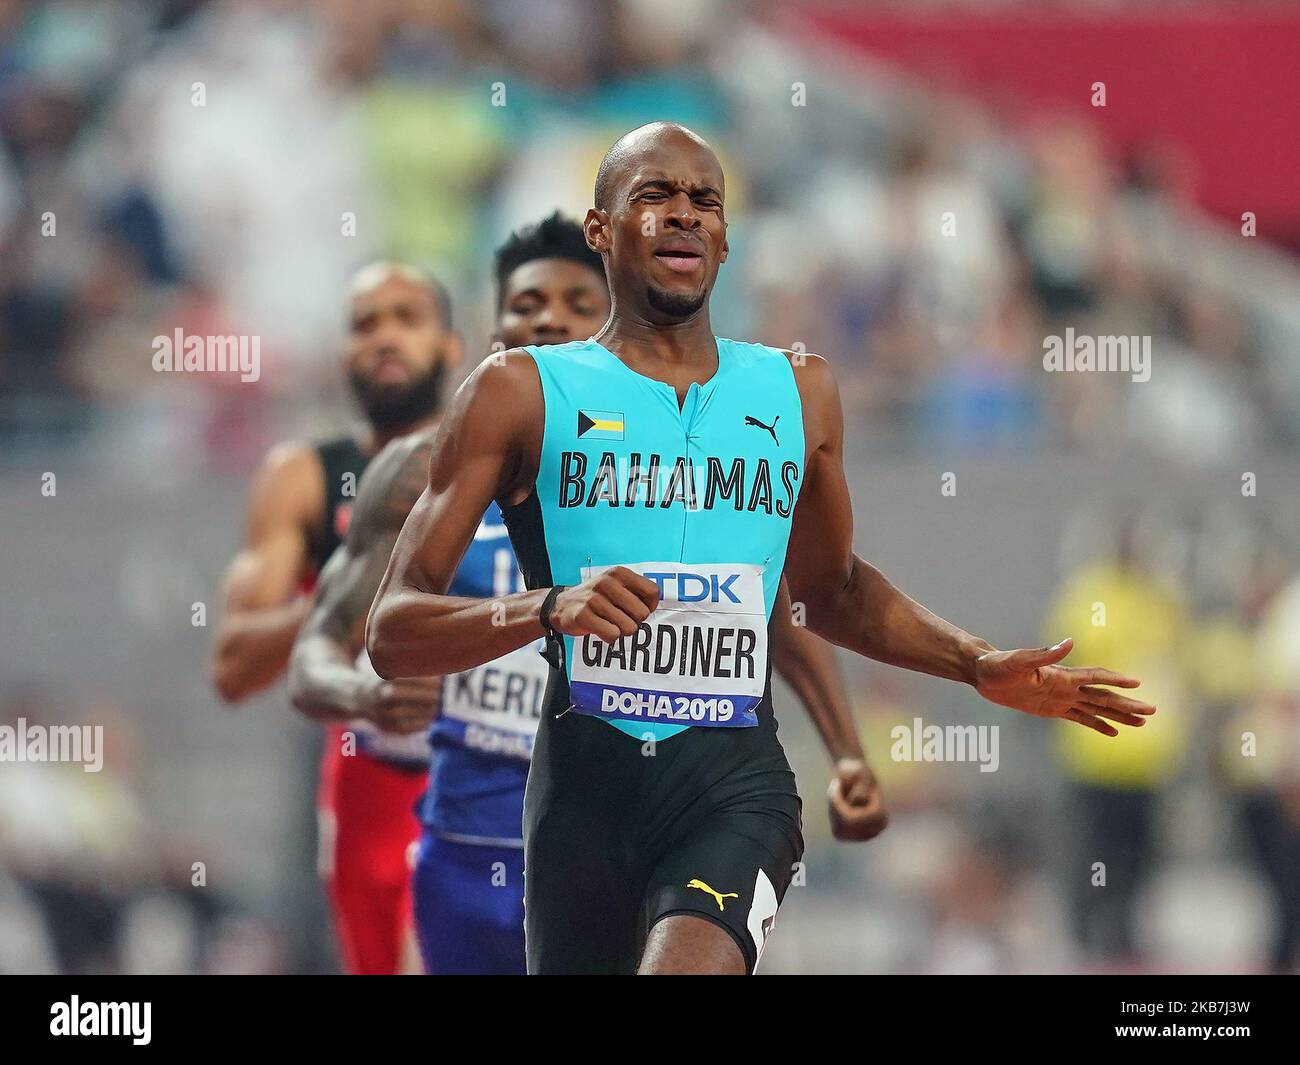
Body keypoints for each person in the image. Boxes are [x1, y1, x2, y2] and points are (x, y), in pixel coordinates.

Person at [367, 122, 1155, 975]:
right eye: (653, 197)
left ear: (726, 237)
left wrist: (977, 661)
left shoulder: (798, 389)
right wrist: (546, 607)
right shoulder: (520, 392)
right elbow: (393, 628)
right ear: (600, 230)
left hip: (734, 788)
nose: (683, 215)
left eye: (704, 201)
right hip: (579, 800)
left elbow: (831, 590)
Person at [290, 213, 885, 975]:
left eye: (574, 304)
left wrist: (846, 754)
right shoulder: (417, 476)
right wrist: (361, 695)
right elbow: (332, 643)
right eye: (525, 305)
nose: (547, 320)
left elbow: (782, 613)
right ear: (492, 326)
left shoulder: (661, 471)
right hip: (474, 843)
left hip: (632, 813)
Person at [212, 261, 461, 974]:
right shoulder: (306, 477)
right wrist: (343, 598)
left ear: (450, 344)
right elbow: (233, 666)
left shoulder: (498, 463)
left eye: (406, 319)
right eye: (364, 323)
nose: (385, 337)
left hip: (493, 769)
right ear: (340, 352)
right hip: (371, 779)